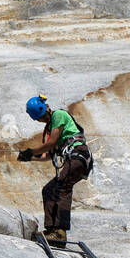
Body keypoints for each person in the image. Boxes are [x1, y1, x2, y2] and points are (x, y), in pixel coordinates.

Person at [17, 94, 92, 245]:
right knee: (48, 189)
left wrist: (31, 151)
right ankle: (51, 229)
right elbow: (47, 154)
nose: (43, 120)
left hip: (79, 156)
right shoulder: (52, 128)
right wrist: (29, 157)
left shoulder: (59, 115)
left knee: (62, 187)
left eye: (43, 116)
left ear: (47, 109)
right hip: (73, 159)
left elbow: (50, 144)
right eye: (40, 119)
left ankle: (60, 232)